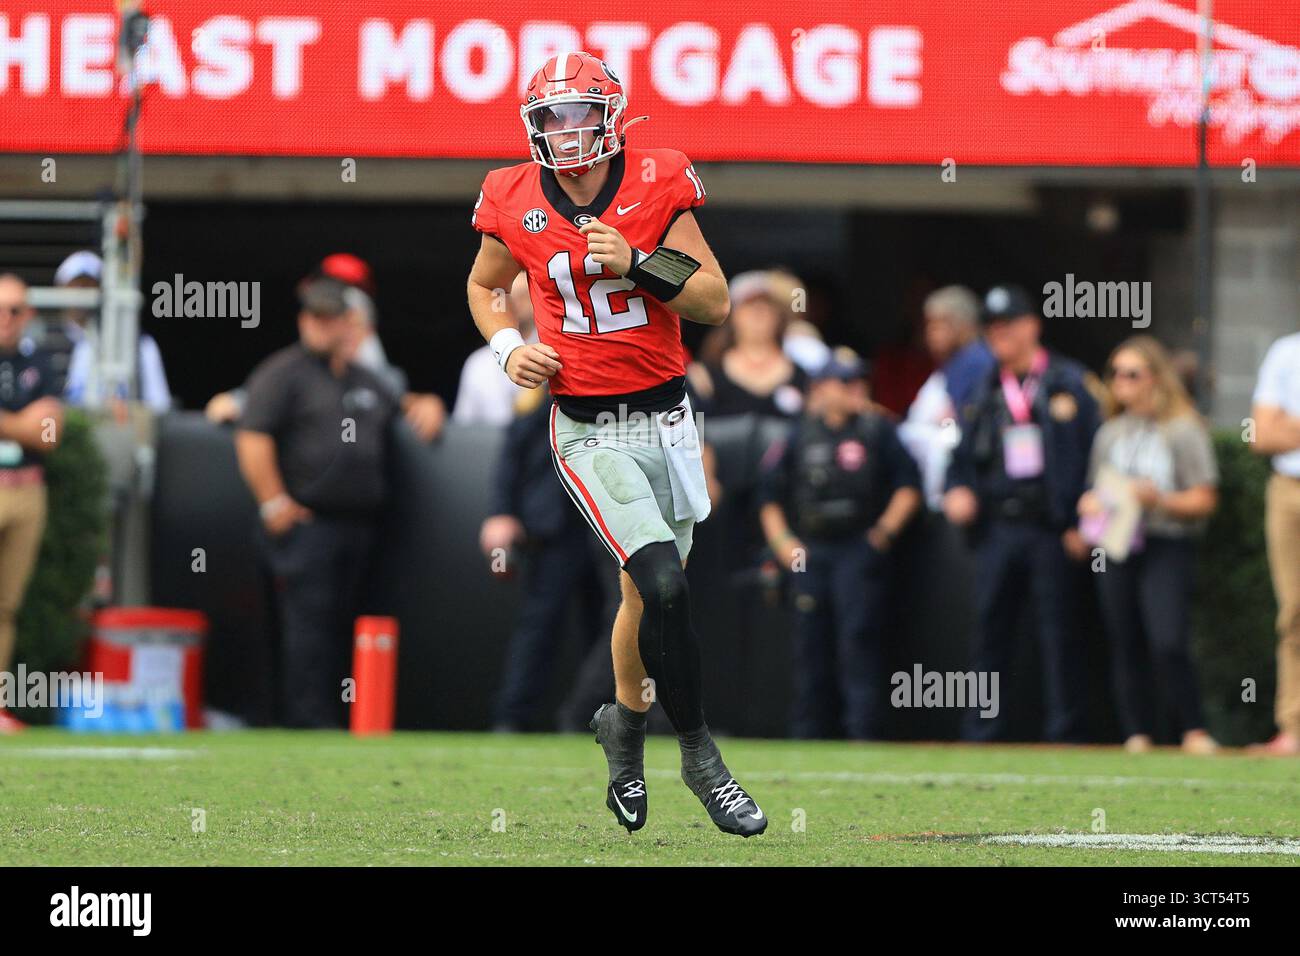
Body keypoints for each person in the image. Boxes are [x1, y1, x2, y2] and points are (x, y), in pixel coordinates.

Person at [465, 51, 765, 836]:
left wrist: (636, 262)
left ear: (612, 118)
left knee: (643, 599)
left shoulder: (659, 178)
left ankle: (623, 733)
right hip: (588, 427)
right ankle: (701, 759)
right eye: (551, 117)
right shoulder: (511, 192)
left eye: (578, 115)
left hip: (665, 421)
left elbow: (714, 298)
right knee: (663, 585)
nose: (565, 134)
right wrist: (505, 348)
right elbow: (485, 284)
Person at [235, 276, 399, 728]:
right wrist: (273, 502)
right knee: (307, 629)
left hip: (361, 525)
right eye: (313, 317)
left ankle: (348, 717)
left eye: (330, 318)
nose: (320, 326)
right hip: (308, 525)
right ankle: (305, 722)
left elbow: (401, 407)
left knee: (348, 626)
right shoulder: (282, 373)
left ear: (349, 322)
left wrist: (424, 405)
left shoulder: (366, 379)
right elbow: (252, 436)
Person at [943, 284, 1100, 743]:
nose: (1000, 336)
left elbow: (1098, 461)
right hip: (998, 527)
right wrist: (957, 491)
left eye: (1008, 326)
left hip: (1052, 528)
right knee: (990, 632)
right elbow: (961, 460)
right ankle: (982, 731)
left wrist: (1083, 525)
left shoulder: (1071, 383)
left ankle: (1066, 732)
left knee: (1060, 634)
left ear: (1033, 325)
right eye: (993, 328)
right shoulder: (982, 389)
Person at [758, 348, 922, 738]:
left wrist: (882, 535)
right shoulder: (798, 434)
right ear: (821, 388)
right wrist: (784, 545)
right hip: (812, 550)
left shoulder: (877, 429)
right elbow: (768, 497)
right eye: (844, 382)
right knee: (809, 644)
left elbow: (909, 486)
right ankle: (808, 734)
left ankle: (862, 732)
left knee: (858, 639)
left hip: (856, 546)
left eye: (858, 381)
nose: (855, 389)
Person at [1078, 336, 1219, 754]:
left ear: (1156, 378)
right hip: (1117, 544)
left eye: (1132, 373)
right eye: (1115, 373)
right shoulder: (1110, 433)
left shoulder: (1183, 430)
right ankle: (1136, 732)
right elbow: (1093, 491)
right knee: (1123, 637)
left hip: (1165, 542)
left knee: (1168, 638)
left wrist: (1159, 499)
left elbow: (1205, 498)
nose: (1121, 381)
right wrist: (1089, 505)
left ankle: (1192, 728)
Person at [480, 383, 608, 732]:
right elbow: (513, 453)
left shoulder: (615, 375)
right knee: (540, 625)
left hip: (608, 522)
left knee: (610, 627)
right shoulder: (544, 379)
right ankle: (512, 716)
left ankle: (598, 720)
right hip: (555, 528)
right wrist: (500, 512)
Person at [208, 254, 445, 442]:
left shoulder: (365, 348)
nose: (330, 326)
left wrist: (423, 403)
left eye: (340, 320)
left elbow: (385, 391)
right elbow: (287, 385)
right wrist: (242, 400)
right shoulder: (297, 364)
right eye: (320, 317)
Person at [0, 275, 63, 734]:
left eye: (16, 310)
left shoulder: (38, 362)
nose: (6, 319)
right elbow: (31, 425)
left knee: (6, 605)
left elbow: (48, 433)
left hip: (26, 489)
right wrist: (21, 421)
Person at [1249, 327, 1300, 756]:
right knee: (1294, 612)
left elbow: (1277, 427)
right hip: (1288, 489)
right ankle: (1294, 727)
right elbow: (1261, 435)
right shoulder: (1285, 351)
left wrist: (1290, 423)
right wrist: (1277, 428)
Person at [899, 285, 995, 509]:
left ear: (961, 325)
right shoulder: (952, 363)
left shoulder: (977, 363)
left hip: (964, 490)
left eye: (937, 325)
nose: (930, 334)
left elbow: (965, 425)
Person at [55, 251, 172, 414]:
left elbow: (160, 407)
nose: (82, 292)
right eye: (75, 284)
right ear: (60, 288)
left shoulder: (140, 345)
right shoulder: (45, 340)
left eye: (89, 284)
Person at [687, 270, 806, 418]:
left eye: (767, 306)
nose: (759, 312)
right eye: (749, 305)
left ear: (779, 316)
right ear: (733, 314)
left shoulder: (801, 372)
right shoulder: (705, 375)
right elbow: (695, 424)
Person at [453, 273, 532, 426]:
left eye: (523, 296)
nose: (516, 304)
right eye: (508, 297)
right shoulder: (478, 364)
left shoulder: (554, 356)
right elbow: (463, 430)